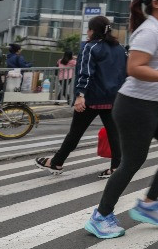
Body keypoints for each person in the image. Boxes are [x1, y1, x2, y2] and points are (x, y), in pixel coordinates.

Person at [84, 0, 158, 239]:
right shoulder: (148, 31)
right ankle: (101, 216)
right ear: (156, 3)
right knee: (132, 162)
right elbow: (134, 68)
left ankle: (148, 204)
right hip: (135, 104)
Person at [37, 16, 126, 178]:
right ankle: (116, 167)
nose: (87, 32)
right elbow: (123, 73)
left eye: (89, 29)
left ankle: (56, 162)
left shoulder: (90, 47)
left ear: (92, 31)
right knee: (114, 133)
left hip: (91, 99)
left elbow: (85, 73)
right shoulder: (120, 48)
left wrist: (80, 95)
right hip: (113, 98)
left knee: (75, 133)